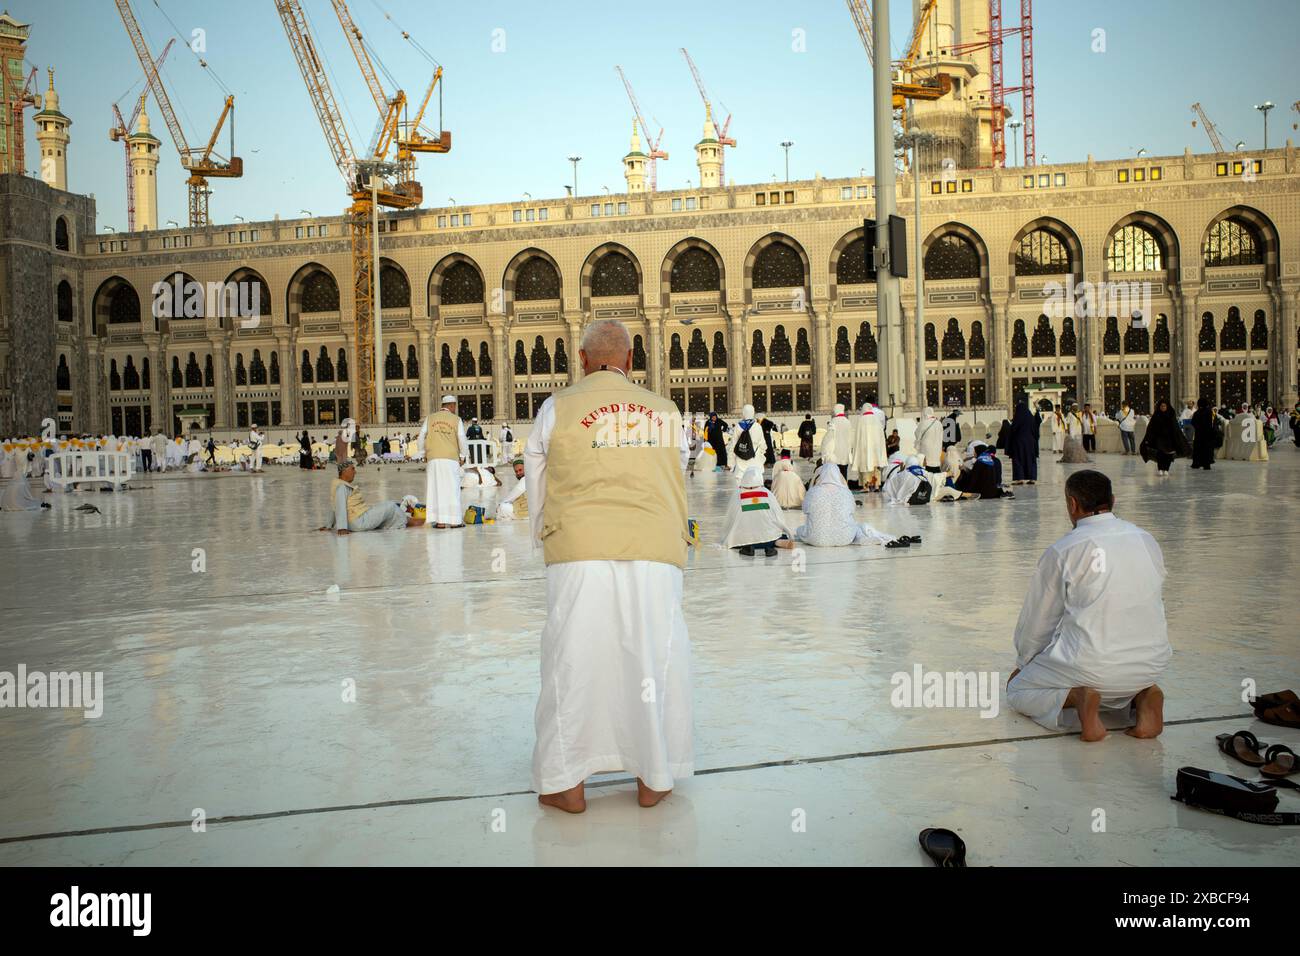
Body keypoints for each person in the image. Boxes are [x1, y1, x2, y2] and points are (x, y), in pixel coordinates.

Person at [524, 319, 692, 813]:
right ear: (631, 361)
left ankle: (566, 784)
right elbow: (678, 471)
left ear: (581, 359)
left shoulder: (557, 408)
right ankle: (653, 777)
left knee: (574, 660)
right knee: (652, 658)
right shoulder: (665, 411)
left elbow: (537, 469)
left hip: (579, 549)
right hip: (656, 549)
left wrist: (545, 532)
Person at [1006, 470, 1170, 741]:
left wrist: (1025, 663)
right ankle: (1142, 695)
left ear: (1072, 504)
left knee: (1017, 691)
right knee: (1116, 681)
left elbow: (1038, 622)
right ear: (1113, 500)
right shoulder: (1145, 539)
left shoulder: (1065, 549)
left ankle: (1077, 697)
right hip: (1151, 664)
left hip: (1092, 666)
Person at [781, 463, 911, 548]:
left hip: (816, 540)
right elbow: (852, 510)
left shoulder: (814, 491)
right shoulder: (845, 492)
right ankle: (861, 537)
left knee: (800, 529)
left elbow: (805, 510)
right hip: (845, 538)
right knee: (855, 526)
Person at [319, 459, 424, 534]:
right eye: (352, 469)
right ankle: (410, 522)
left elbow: (334, 506)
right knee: (390, 506)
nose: (355, 472)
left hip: (356, 520)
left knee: (383, 508)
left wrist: (328, 525)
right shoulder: (342, 487)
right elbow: (340, 507)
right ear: (344, 471)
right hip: (358, 522)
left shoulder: (338, 485)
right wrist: (341, 528)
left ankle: (406, 521)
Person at [418, 395, 469, 528]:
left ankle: (440, 522)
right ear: (452, 405)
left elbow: (421, 436)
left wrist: (423, 453)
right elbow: (462, 438)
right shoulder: (456, 419)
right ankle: (455, 522)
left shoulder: (430, 418)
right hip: (450, 459)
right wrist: (463, 456)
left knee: (436, 489)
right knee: (452, 489)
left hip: (433, 459)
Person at [721, 467, 789, 556]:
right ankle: (769, 547)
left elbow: (730, 518)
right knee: (778, 536)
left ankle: (749, 547)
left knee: (734, 539)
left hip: (743, 539)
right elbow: (778, 515)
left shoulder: (737, 494)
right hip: (768, 537)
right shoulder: (767, 493)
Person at [1139, 399, 1190, 478]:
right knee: (1160, 454)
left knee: (1168, 454)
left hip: (1169, 438)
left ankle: (1166, 469)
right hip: (1159, 438)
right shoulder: (1156, 415)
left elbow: (1175, 427)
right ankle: (1160, 469)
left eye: (1164, 406)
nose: (1163, 407)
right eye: (1161, 406)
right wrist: (1148, 438)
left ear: (1167, 406)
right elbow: (1151, 427)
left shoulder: (1171, 414)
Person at [849, 402, 888, 489]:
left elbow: (857, 437)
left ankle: (866, 486)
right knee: (875, 466)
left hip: (864, 448)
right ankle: (876, 485)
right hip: (875, 448)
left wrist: (855, 448)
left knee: (865, 466)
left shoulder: (861, 420)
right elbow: (881, 436)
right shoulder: (876, 420)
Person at [727, 404, 767, 476]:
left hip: (741, 455)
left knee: (741, 479)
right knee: (754, 479)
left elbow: (733, 444)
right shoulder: (757, 426)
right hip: (754, 456)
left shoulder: (738, 426)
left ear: (743, 413)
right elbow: (762, 444)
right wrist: (761, 453)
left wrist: (731, 462)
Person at [1006, 400, 1040, 485]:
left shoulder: (1018, 418)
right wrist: (1037, 409)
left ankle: (1019, 478)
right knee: (1031, 459)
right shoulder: (1030, 417)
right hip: (1031, 443)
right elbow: (1037, 423)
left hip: (1019, 443)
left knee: (1018, 459)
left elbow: (1013, 430)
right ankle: (1032, 478)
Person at [819, 404, 853, 476]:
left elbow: (829, 438)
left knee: (836, 474)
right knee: (844, 473)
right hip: (845, 452)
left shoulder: (833, 422)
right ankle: (844, 486)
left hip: (835, 453)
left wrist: (824, 451)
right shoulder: (848, 422)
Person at [1190, 398, 1219, 470]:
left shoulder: (1196, 413)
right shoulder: (1211, 413)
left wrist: (1199, 428)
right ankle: (1206, 464)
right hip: (1208, 435)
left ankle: (1196, 463)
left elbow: (1193, 423)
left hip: (1199, 435)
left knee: (1198, 449)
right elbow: (1214, 424)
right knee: (1207, 450)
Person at [913, 407, 943, 471]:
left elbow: (917, 434)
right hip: (937, 449)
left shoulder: (924, 423)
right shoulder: (939, 423)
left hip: (926, 450)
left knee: (927, 467)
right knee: (935, 466)